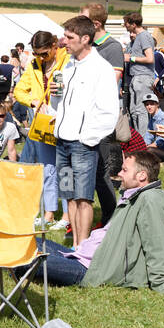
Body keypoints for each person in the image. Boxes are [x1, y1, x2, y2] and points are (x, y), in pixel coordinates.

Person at [22, 151, 164, 296]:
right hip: (82, 256)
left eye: (125, 170)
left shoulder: (151, 200)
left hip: (93, 269)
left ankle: (19, 267)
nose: (119, 173)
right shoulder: (133, 194)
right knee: (24, 242)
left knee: (23, 258)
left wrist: (163, 284)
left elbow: (157, 243)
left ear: (142, 176)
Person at [52, 15, 121, 247]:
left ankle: (82, 248)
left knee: (83, 198)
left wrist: (87, 138)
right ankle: (74, 244)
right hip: (62, 142)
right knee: (68, 195)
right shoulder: (69, 64)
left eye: (69, 37)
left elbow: (109, 111)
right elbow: (62, 104)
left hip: (82, 145)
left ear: (85, 39)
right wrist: (55, 97)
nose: (64, 41)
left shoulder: (101, 69)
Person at [12, 30, 69, 228]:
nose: (41, 58)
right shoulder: (34, 65)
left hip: (64, 122)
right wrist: (33, 101)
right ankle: (49, 213)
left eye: (44, 53)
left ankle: (68, 216)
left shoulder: (68, 60)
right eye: (37, 54)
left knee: (65, 170)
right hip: (42, 124)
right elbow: (19, 91)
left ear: (55, 46)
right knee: (48, 170)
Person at [122, 12, 158, 133]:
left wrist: (130, 58)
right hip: (136, 77)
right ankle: (138, 140)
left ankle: (144, 141)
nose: (125, 26)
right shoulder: (138, 38)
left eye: (126, 24)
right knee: (134, 110)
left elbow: (150, 58)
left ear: (133, 24)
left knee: (141, 111)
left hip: (143, 77)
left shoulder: (143, 36)